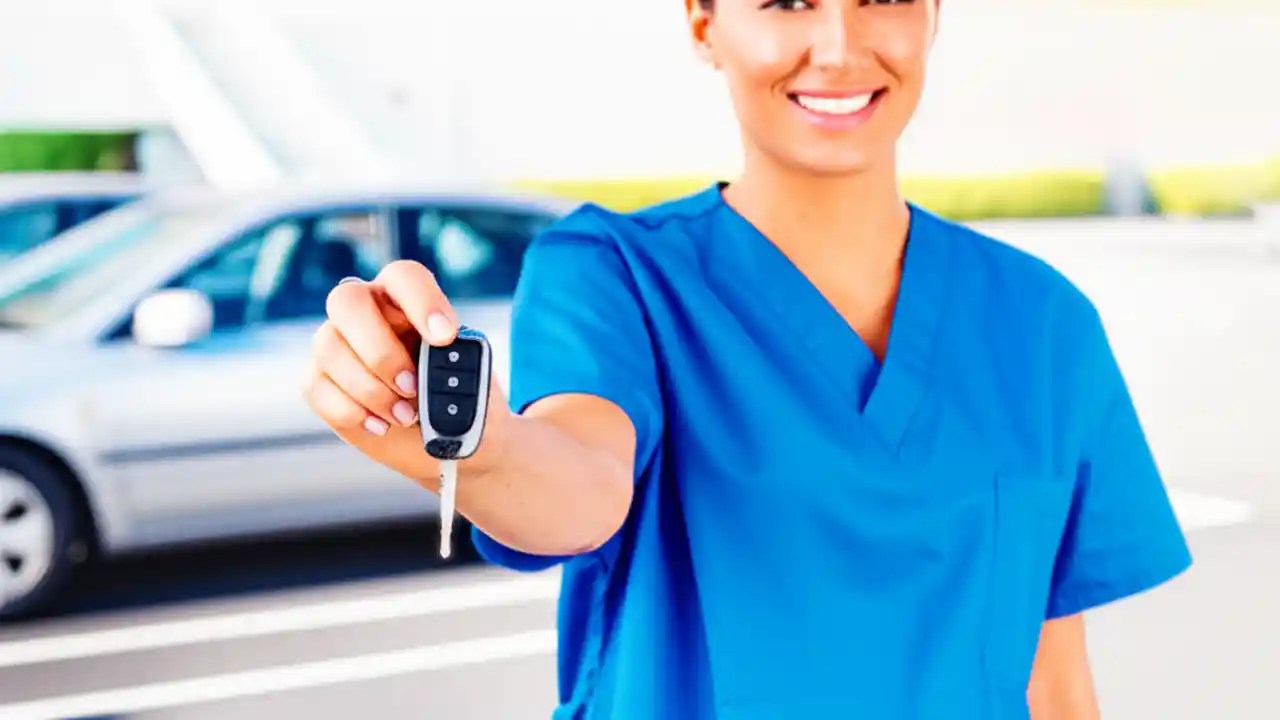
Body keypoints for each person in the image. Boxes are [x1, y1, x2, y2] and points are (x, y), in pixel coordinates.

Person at [302, 0, 1192, 717]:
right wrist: (479, 447)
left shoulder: (1041, 323)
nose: (838, 48)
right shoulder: (613, 274)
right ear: (702, 20)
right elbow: (577, 483)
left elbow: (1055, 682)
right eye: (788, 1)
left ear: (933, 15)